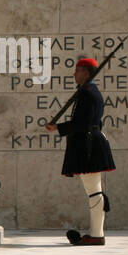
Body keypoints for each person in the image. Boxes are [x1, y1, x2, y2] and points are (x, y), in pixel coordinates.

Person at [45, 57, 115, 245]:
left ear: (85, 72)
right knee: (94, 191)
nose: (74, 74)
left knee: (94, 192)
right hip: (89, 143)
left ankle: (97, 235)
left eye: (77, 71)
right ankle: (96, 233)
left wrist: (58, 128)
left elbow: (83, 123)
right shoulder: (88, 92)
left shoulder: (88, 94)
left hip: (89, 146)